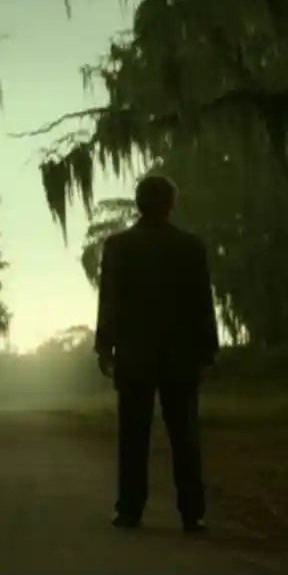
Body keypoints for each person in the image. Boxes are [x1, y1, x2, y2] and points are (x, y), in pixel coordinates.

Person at [95, 174, 219, 534]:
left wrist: (105, 347)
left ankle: (130, 509)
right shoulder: (190, 247)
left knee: (133, 436)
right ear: (171, 204)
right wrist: (207, 351)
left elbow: (110, 301)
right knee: (185, 435)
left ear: (138, 203)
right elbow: (202, 304)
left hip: (135, 355)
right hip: (181, 355)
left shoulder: (118, 246)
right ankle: (192, 512)